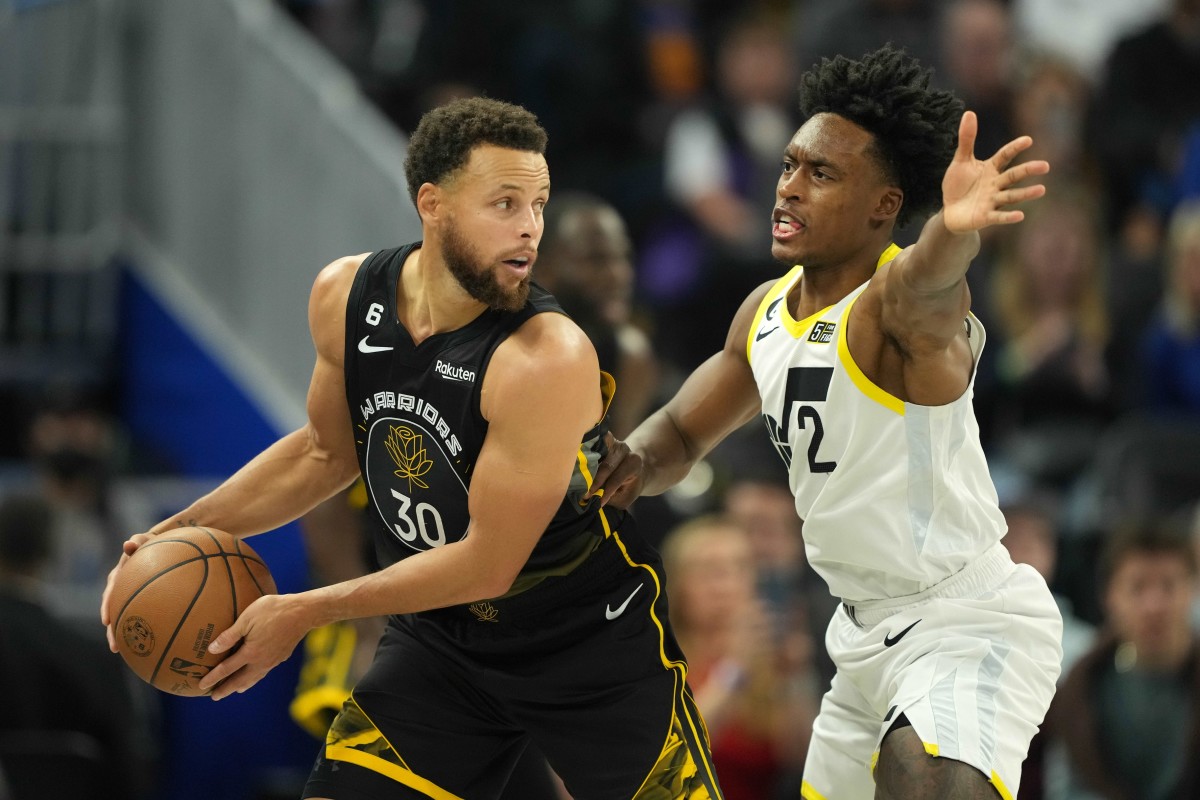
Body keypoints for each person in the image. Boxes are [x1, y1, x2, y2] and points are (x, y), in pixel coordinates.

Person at [101, 97, 723, 799]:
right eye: (505, 203)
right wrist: (170, 535)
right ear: (433, 204)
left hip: (586, 646)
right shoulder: (345, 294)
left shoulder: (546, 356)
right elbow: (324, 455)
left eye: (538, 205)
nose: (529, 227)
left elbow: (488, 564)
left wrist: (303, 611)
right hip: (444, 644)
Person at [591, 45, 1064, 800]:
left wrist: (954, 230)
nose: (788, 187)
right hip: (860, 636)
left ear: (883, 205)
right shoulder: (764, 312)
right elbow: (678, 434)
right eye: (788, 165)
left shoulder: (894, 305)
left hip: (963, 620)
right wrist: (628, 463)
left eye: (821, 173)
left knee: (924, 778)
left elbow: (928, 285)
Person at [659, 514, 816, 800]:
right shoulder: (658, 658)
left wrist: (796, 676)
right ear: (678, 582)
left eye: (740, 568)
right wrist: (733, 671)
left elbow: (803, 758)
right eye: (709, 571)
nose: (725, 586)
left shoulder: (766, 657)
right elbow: (673, 756)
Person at [1045, 521, 1200, 800]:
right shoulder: (1081, 689)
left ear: (1192, 590)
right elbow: (1067, 788)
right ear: (1109, 596)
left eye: (1169, 586)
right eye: (1137, 588)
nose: (1154, 605)